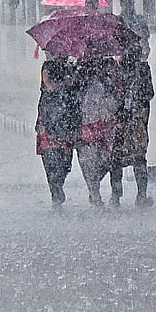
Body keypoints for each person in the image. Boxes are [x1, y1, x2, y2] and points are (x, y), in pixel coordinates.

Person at [109, 39, 155, 207]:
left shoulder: (115, 70)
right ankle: (140, 195)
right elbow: (149, 93)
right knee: (139, 157)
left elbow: (111, 95)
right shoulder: (142, 69)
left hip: (122, 120)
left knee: (116, 157)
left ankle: (116, 196)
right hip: (136, 122)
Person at [74, 55, 123, 207]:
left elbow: (118, 90)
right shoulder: (81, 66)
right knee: (88, 160)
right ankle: (95, 194)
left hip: (104, 120)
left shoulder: (110, 66)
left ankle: (97, 189)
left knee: (105, 159)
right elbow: (75, 91)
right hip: (87, 121)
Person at [35, 55, 80, 208]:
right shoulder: (47, 67)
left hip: (67, 120)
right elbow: (48, 86)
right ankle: (55, 191)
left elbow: (75, 87)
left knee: (66, 162)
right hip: (49, 119)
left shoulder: (70, 67)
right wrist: (62, 84)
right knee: (50, 159)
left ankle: (58, 184)